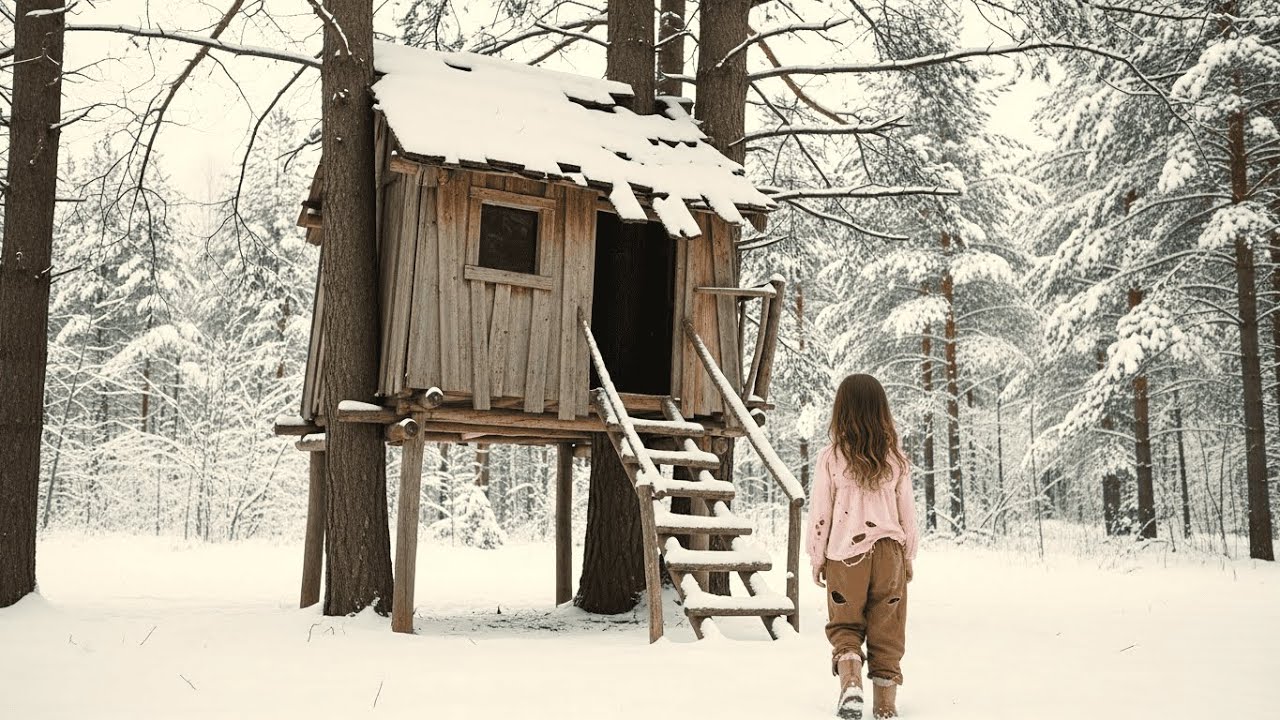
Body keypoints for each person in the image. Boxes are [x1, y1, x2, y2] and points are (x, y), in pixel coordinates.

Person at [806, 374, 919, 719]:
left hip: (844, 553)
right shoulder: (895, 459)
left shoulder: (832, 457)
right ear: (880, 412)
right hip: (889, 553)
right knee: (888, 628)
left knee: (845, 625)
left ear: (842, 412)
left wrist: (817, 556)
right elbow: (908, 515)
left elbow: (820, 512)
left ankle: (851, 683)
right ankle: (885, 706)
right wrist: (908, 556)